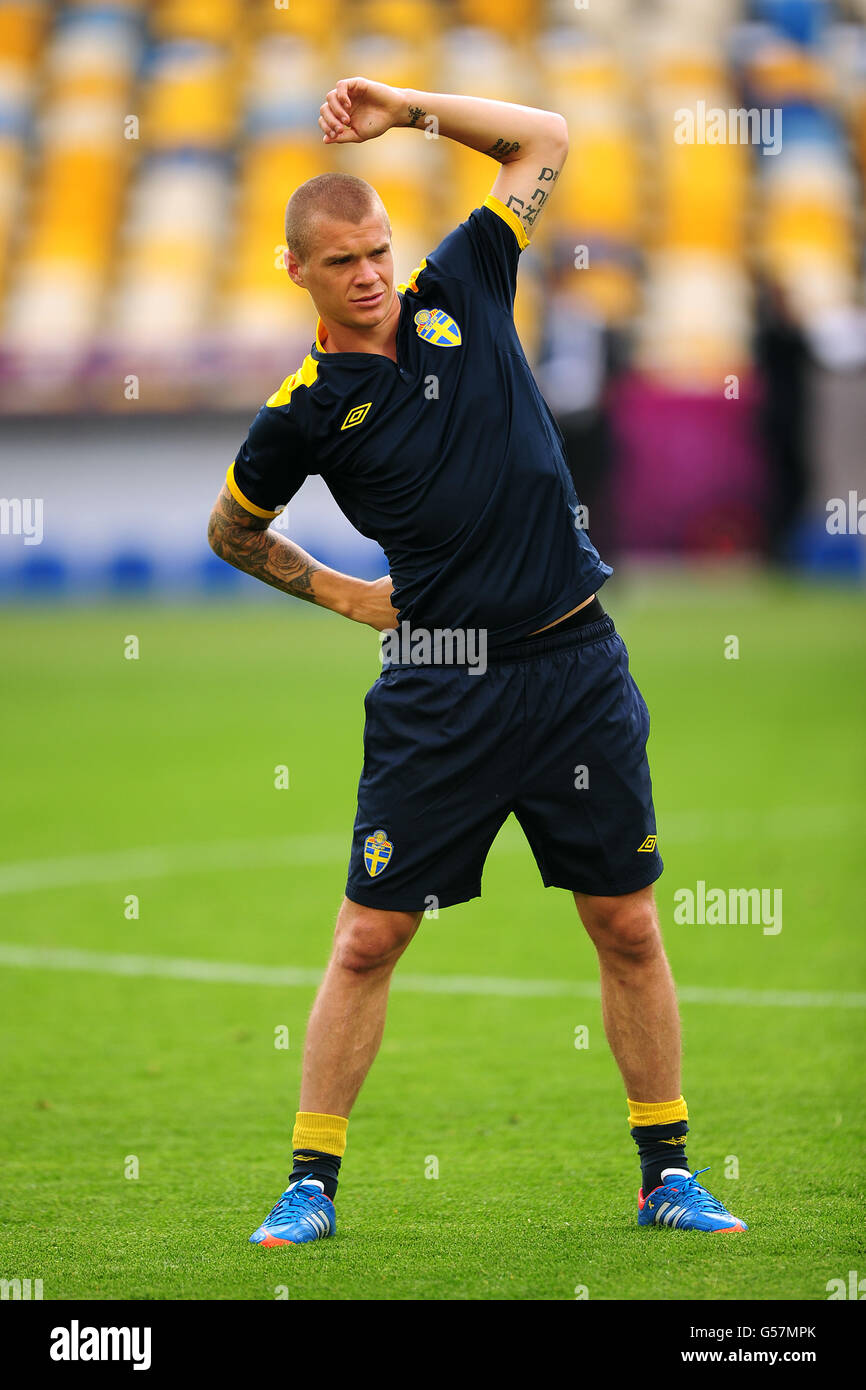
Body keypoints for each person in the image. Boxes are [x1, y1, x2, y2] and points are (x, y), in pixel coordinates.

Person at [207, 76, 747, 1244]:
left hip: (573, 664)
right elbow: (230, 532)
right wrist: (353, 598)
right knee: (368, 935)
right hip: (440, 682)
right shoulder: (303, 410)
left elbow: (545, 136)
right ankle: (310, 1184)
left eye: (378, 250)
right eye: (344, 260)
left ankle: (666, 1175)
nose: (372, 273)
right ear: (297, 270)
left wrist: (402, 109)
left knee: (628, 926)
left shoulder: (461, 284)